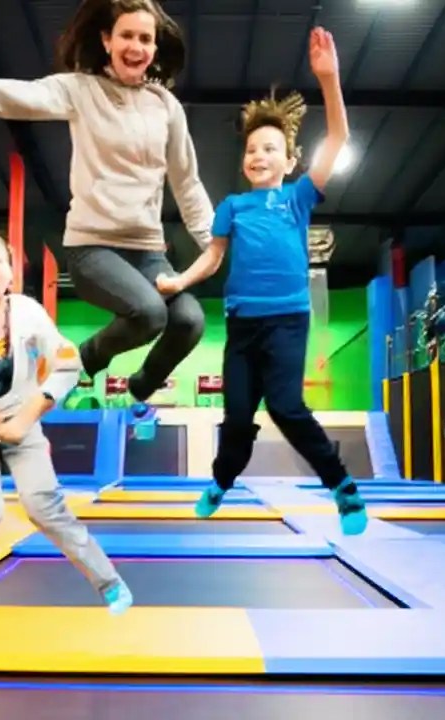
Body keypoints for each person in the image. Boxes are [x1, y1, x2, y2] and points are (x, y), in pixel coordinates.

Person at [0, 0, 214, 425]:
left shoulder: (165, 107)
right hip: (92, 247)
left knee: (188, 321)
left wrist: (214, 244)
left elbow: (187, 183)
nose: (136, 47)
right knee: (150, 313)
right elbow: (25, 96)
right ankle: (79, 362)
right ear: (107, 40)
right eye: (127, 36)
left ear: (155, 46)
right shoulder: (82, 89)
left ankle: (136, 392)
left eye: (146, 39)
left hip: (147, 251)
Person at [154, 27, 367, 535]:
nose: (258, 155)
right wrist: (178, 282)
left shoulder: (297, 197)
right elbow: (213, 257)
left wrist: (329, 78)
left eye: (270, 148)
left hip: (289, 321)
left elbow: (338, 138)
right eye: (252, 148)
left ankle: (341, 486)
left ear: (289, 161)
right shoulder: (233, 207)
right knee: (236, 418)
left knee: (287, 406)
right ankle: (222, 480)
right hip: (243, 326)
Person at [0, 229, 133, 614]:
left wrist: (25, 417)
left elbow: (68, 365)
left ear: (10, 276)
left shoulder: (27, 311)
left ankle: (109, 583)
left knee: (45, 506)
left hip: (21, 420)